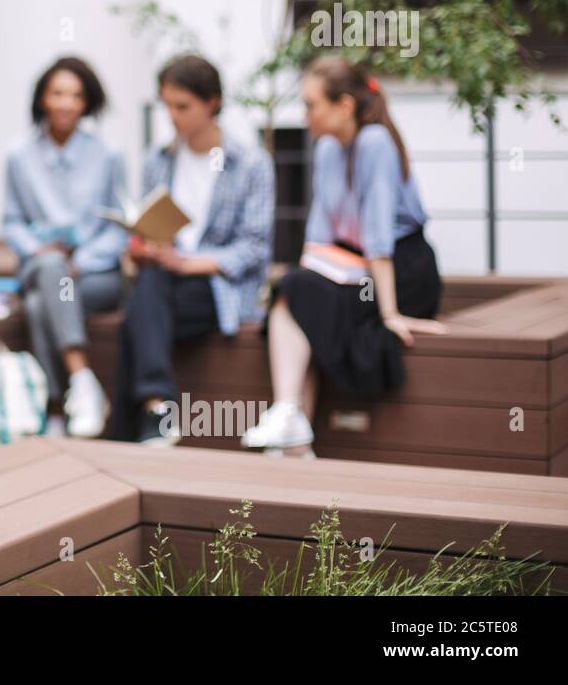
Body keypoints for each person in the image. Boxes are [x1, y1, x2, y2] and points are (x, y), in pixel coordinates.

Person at [242, 57, 446, 456]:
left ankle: (291, 428)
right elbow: (318, 233)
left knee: (298, 293)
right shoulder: (327, 149)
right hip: (350, 266)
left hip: (401, 273)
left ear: (344, 106)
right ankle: (291, 428)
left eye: (311, 104)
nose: (305, 116)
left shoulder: (375, 143)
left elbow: (379, 239)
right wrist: (305, 276)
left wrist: (389, 314)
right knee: (295, 291)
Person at [109, 55, 275, 445]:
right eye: (166, 105)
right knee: (146, 291)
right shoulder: (158, 159)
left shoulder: (250, 163)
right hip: (162, 282)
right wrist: (141, 248)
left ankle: (134, 426)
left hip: (218, 287)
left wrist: (187, 264)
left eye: (182, 106)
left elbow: (255, 248)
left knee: (139, 310)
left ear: (212, 102)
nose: (172, 116)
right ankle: (155, 410)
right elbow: (148, 223)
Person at [3, 57, 129, 437]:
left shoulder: (109, 155)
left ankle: (56, 410)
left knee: (42, 301)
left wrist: (84, 261)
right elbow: (12, 222)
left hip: (94, 275)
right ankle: (83, 380)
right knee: (50, 269)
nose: (65, 104)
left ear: (87, 102)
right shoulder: (19, 155)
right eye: (57, 94)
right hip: (40, 265)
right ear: (42, 98)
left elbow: (119, 228)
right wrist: (41, 253)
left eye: (75, 96)